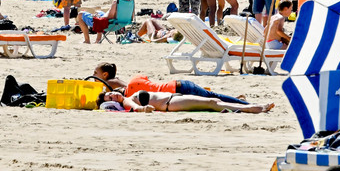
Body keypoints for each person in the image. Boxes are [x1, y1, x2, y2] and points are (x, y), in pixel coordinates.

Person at [92, 63, 252, 105]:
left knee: (214, 99)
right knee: (213, 97)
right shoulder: (135, 81)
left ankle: (244, 103)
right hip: (178, 84)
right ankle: (238, 100)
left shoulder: (132, 96)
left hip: (178, 92)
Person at [101, 89, 273, 114]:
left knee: (213, 101)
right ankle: (253, 108)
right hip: (171, 103)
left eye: (110, 93)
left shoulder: (129, 94)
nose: (113, 95)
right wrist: (143, 109)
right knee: (212, 103)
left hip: (173, 99)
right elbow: (135, 108)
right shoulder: (127, 101)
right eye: (109, 98)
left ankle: (249, 107)